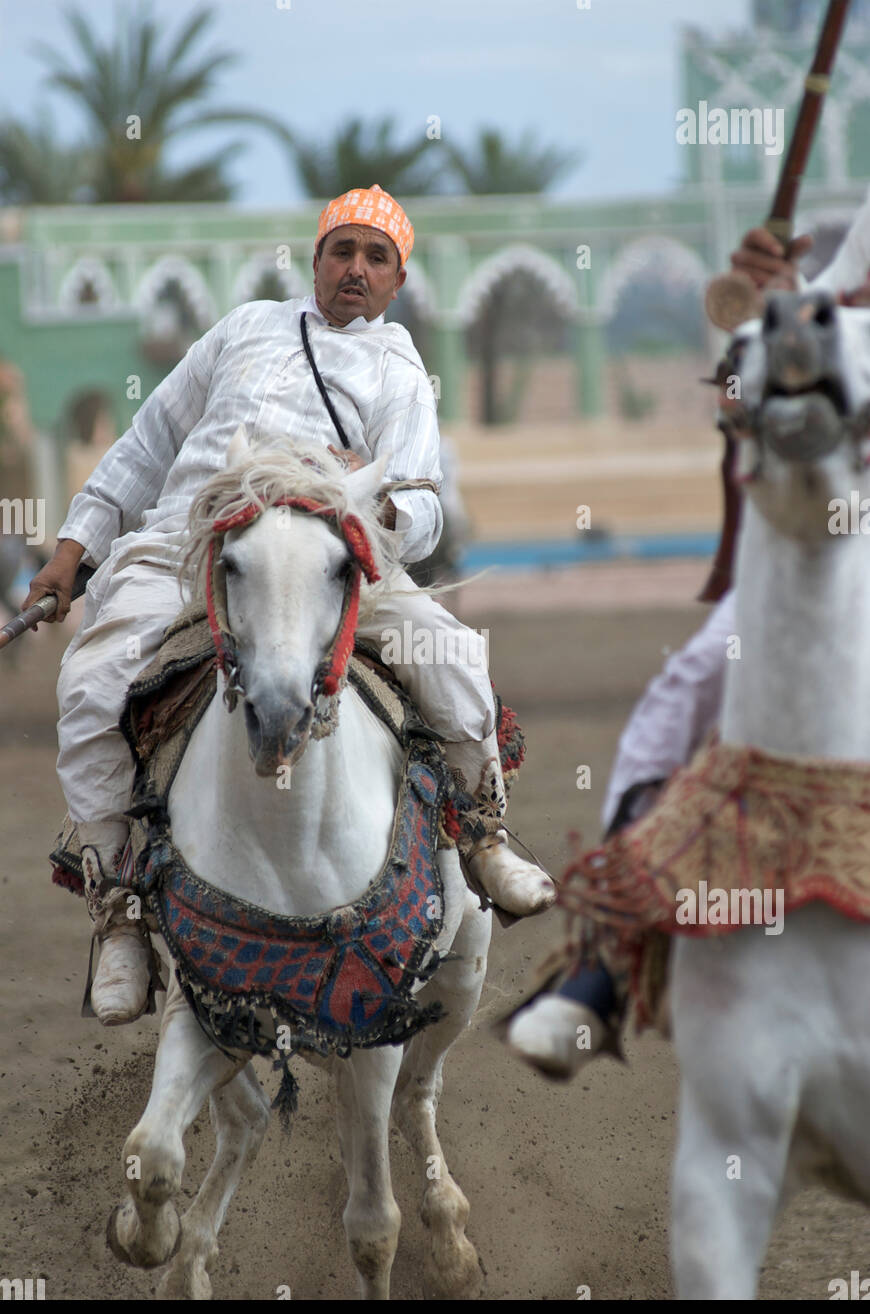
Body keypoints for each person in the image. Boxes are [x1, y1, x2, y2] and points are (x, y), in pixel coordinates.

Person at [29, 184, 555, 1027]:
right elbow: (146, 444)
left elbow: (421, 503)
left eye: (375, 257)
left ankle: (483, 834)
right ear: (315, 262)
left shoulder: (398, 369)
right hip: (191, 541)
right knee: (89, 683)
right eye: (342, 251)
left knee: (452, 655)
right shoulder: (241, 330)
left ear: (397, 280)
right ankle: (121, 910)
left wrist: (373, 511)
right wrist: (70, 554)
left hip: (331, 551)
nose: (356, 268)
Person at [508, 190, 870, 1077]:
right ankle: (603, 957)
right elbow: (778, 387)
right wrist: (782, 312)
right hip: (841, 541)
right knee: (699, 673)